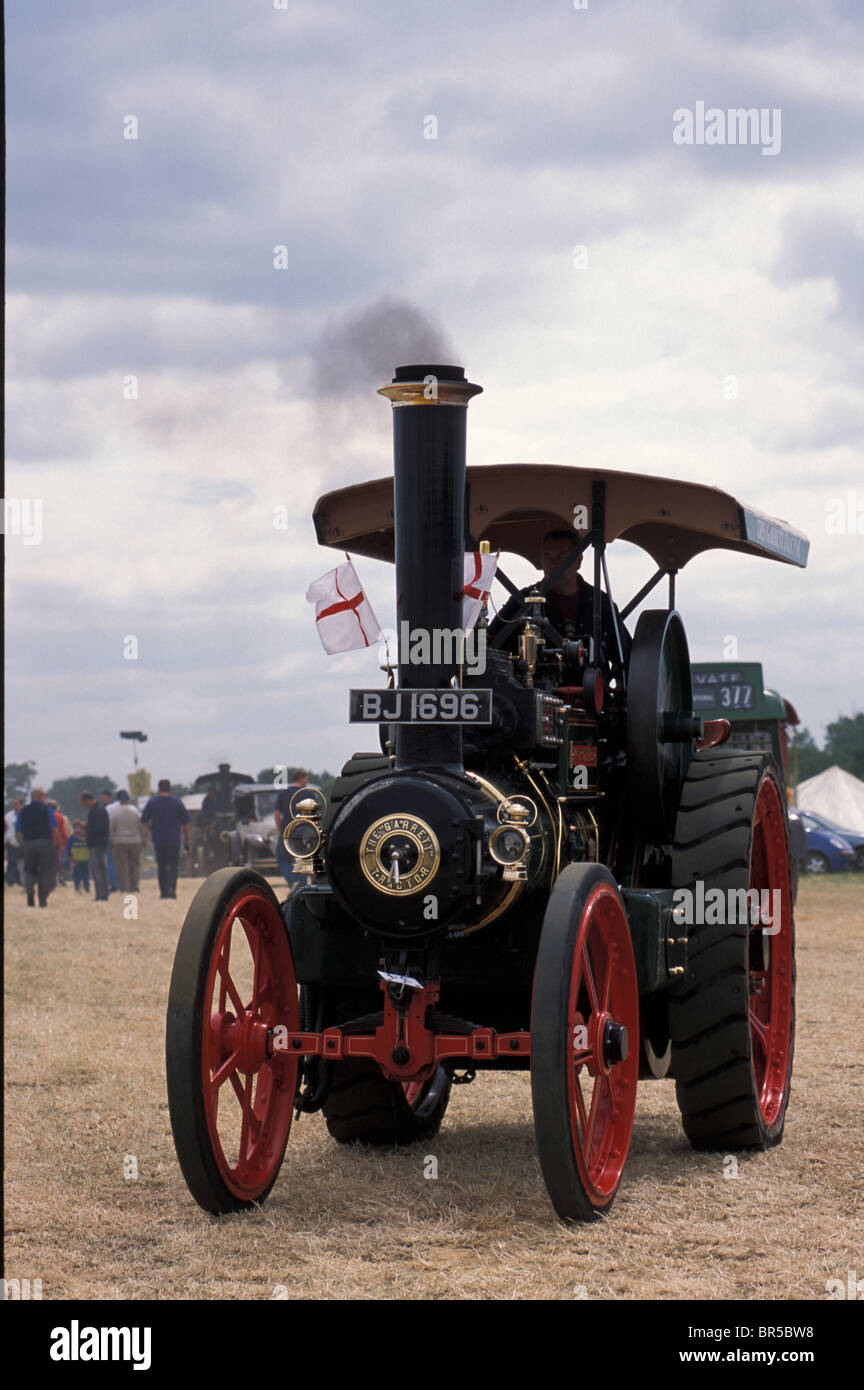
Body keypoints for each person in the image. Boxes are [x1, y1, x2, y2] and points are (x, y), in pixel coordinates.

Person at [488, 528, 632, 667]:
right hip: (533, 687)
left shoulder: (601, 603)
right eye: (547, 557)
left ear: (579, 561)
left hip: (592, 688)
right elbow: (489, 644)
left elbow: (628, 657)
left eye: (561, 557)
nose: (553, 564)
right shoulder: (522, 601)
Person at [140, 779, 191, 899]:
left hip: (159, 839)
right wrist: (187, 840)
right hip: (174, 839)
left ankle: (163, 892)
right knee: (173, 865)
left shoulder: (152, 803)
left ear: (158, 789)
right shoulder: (177, 802)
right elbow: (186, 823)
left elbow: (143, 821)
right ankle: (172, 889)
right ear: (170, 789)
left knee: (162, 866)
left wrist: (152, 829)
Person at [16, 787, 60, 907]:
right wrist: (59, 843)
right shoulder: (47, 809)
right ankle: (42, 899)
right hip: (45, 842)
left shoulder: (23, 810)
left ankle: (30, 894)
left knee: (30, 869)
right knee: (45, 870)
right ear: (40, 797)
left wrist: (24, 841)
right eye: (44, 796)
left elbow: (18, 830)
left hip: (29, 842)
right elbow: (53, 827)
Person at [274, 769, 310, 890]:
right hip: (304, 830)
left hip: (287, 830)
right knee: (302, 858)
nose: (307, 781)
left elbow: (277, 813)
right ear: (301, 778)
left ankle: (293, 881)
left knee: (282, 858)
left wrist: (280, 829)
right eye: (306, 779)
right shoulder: (307, 793)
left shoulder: (283, 793)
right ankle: (302, 885)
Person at [110, 789, 143, 893]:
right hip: (135, 840)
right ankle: (135, 886)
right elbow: (142, 827)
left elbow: (111, 829)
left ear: (120, 801)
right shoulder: (136, 812)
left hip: (120, 841)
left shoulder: (115, 813)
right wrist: (143, 839)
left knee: (122, 866)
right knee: (135, 865)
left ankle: (125, 888)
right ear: (128, 800)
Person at [80, 791, 110, 901]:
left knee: (99, 869)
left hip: (98, 844)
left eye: (83, 803)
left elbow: (98, 828)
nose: (83, 806)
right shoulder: (96, 810)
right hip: (96, 844)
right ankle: (100, 894)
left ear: (88, 800)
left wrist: (86, 827)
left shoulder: (98, 810)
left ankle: (102, 894)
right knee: (96, 870)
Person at [63, 821, 91, 893]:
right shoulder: (87, 837)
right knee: (85, 875)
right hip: (85, 859)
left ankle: (78, 887)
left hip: (76, 859)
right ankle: (86, 887)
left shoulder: (72, 838)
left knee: (77, 874)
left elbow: (68, 848)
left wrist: (69, 856)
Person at [100, 789, 120, 892]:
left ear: (110, 798)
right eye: (101, 798)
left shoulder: (108, 809)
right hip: (119, 837)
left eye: (104, 798)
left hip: (110, 837)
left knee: (110, 862)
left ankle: (114, 884)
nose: (102, 800)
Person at [5, 797, 24, 887]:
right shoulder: (8, 815)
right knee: (11, 862)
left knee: (21, 862)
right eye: (13, 804)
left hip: (22, 841)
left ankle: (20, 881)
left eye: (16, 804)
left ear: (21, 804)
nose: (14, 806)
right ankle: (11, 882)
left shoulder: (25, 814)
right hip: (11, 841)